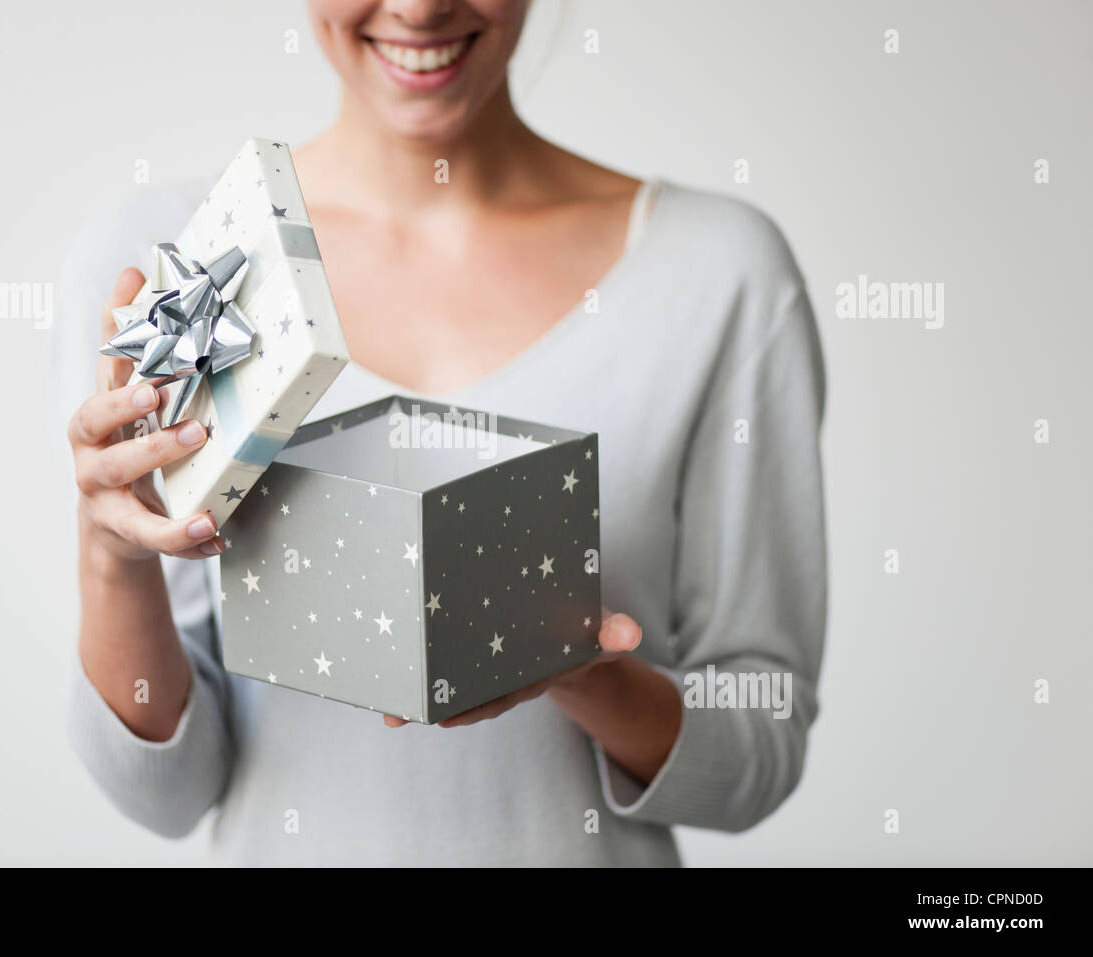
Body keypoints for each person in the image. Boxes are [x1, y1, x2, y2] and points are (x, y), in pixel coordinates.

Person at [58, 0, 827, 866]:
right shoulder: (175, 265)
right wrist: (110, 555)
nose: (421, 7)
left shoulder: (718, 273)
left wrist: (579, 667)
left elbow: (760, 750)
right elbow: (164, 792)